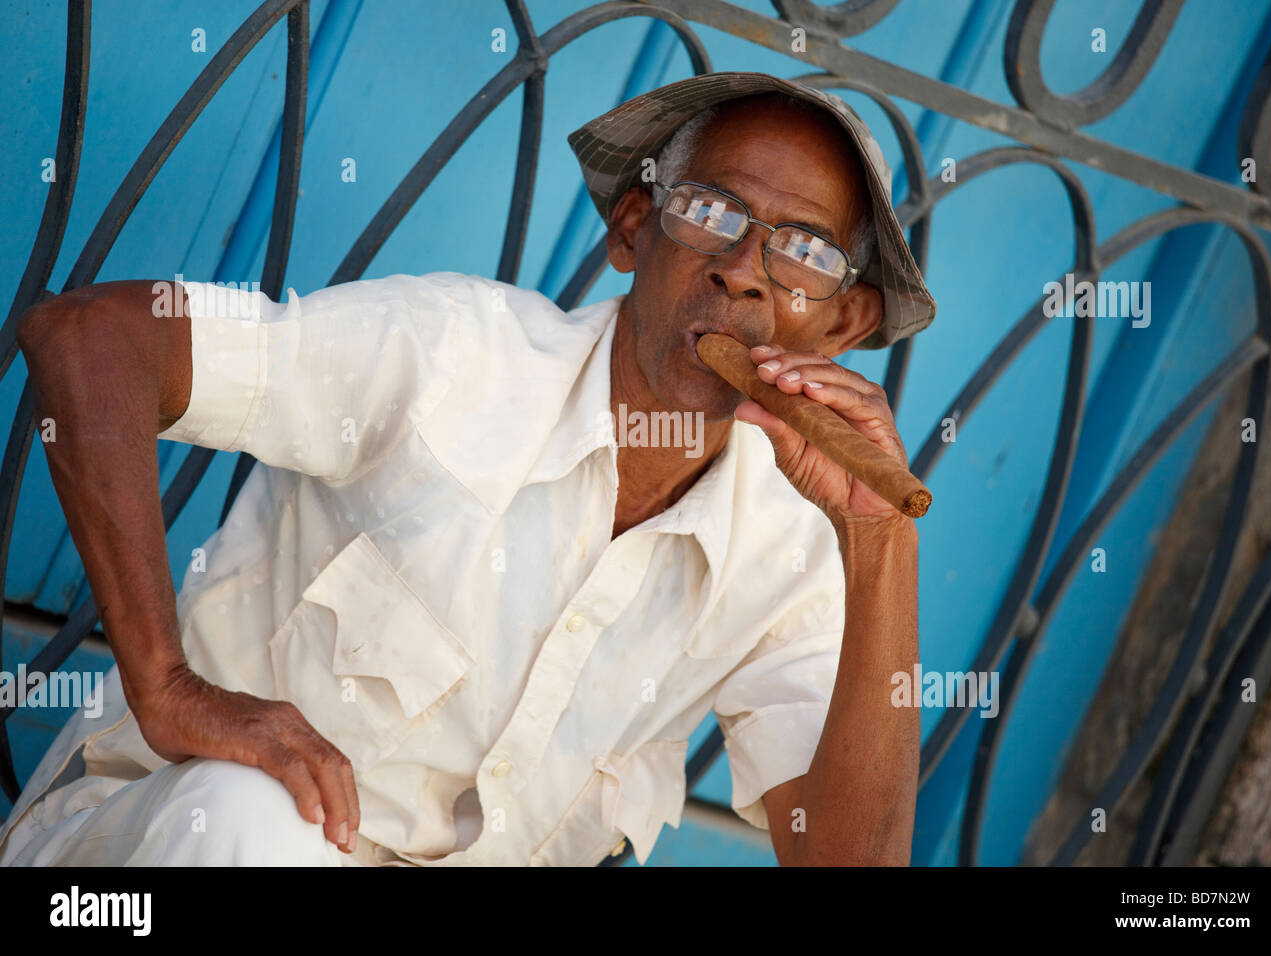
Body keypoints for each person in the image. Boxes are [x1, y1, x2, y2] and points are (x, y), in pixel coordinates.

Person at [1, 71, 936, 866]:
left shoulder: (794, 543)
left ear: (843, 324)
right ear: (633, 230)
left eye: (804, 252)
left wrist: (880, 539)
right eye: (709, 211)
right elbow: (86, 340)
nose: (744, 270)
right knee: (250, 821)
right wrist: (165, 687)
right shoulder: (450, 354)